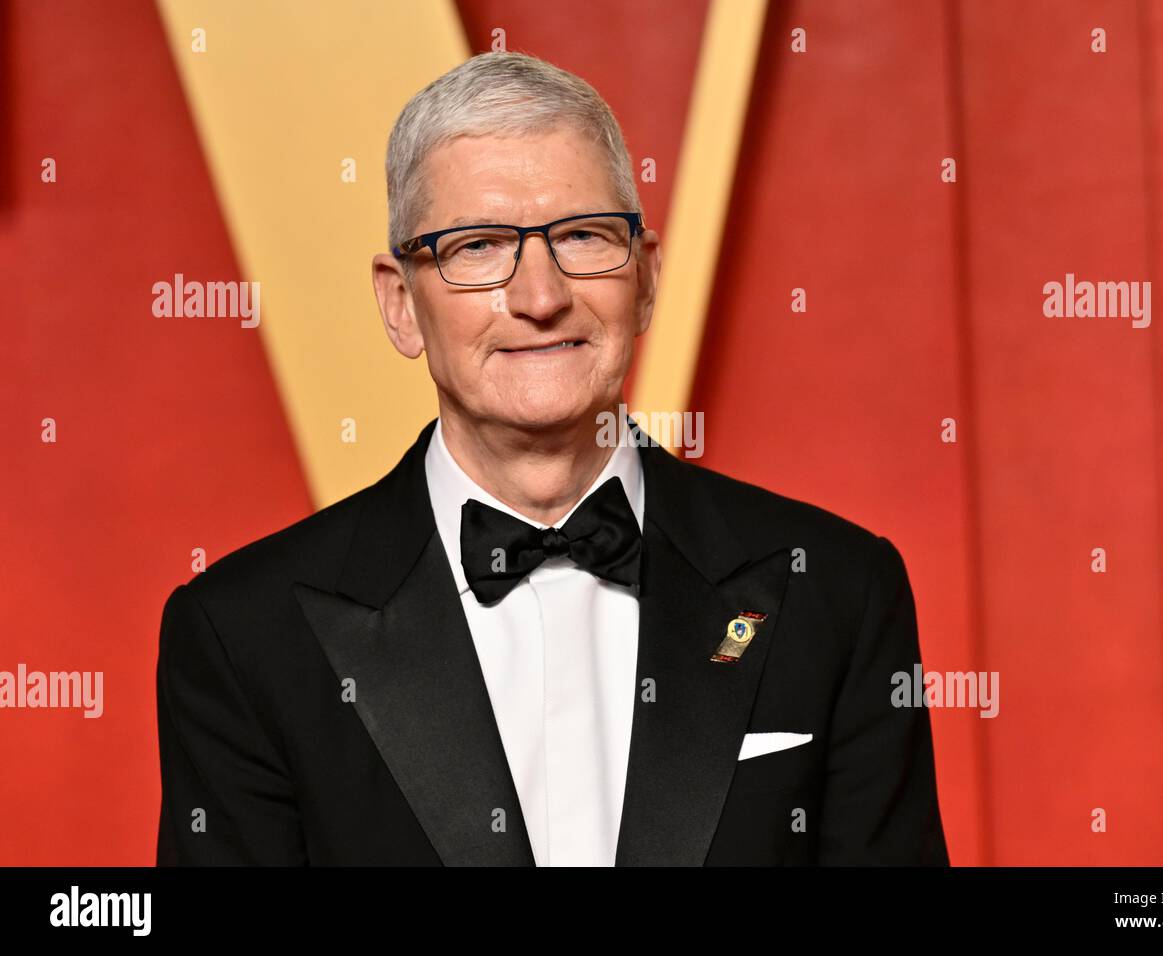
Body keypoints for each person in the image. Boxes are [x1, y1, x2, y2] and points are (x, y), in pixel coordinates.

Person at [155, 50, 948, 866]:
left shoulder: (839, 592)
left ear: (643, 280)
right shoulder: (240, 636)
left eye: (581, 236)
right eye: (478, 247)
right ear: (402, 304)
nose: (540, 297)